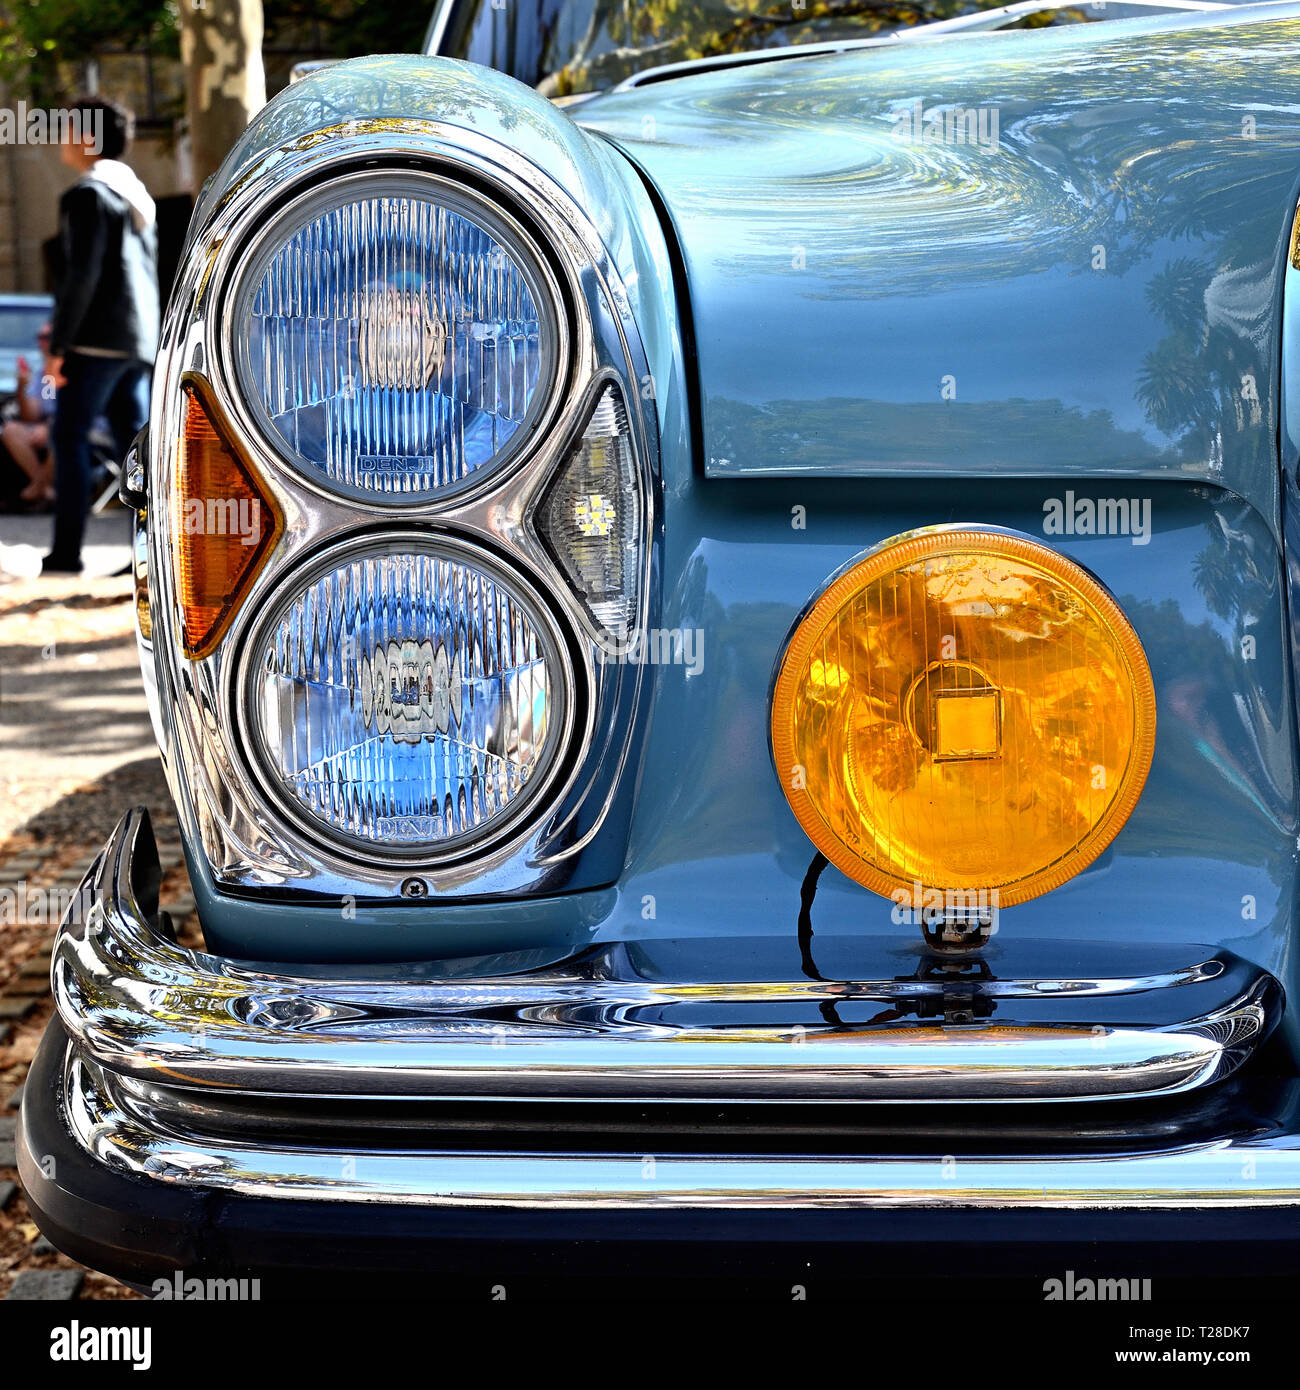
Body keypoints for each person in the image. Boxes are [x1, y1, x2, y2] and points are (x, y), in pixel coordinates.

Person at [43, 95, 158, 575]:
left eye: (68, 128)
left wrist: (58, 347)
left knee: (68, 437)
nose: (61, 139)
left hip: (94, 343)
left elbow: (81, 278)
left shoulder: (89, 194)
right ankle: (152, 559)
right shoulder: (136, 195)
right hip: (138, 341)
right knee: (138, 453)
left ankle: (65, 555)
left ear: (88, 137)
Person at [0, 324, 56, 508]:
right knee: (10, 429)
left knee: (62, 432)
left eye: (47, 337)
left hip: (84, 428)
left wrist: (48, 427)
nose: (42, 342)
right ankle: (44, 488)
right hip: (50, 424)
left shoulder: (76, 369)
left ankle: (40, 488)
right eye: (40, 337)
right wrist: (21, 388)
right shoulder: (46, 374)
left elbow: (77, 412)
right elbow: (34, 414)